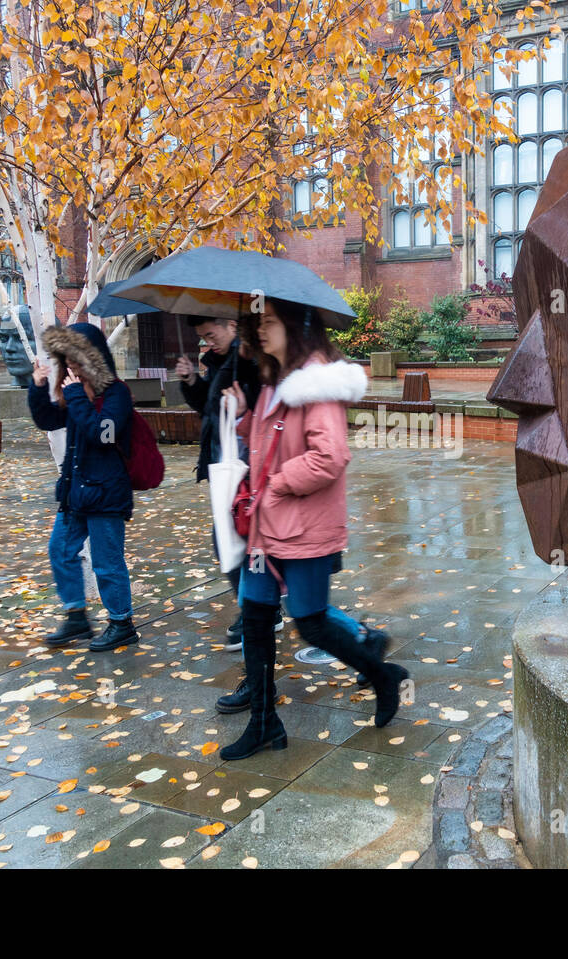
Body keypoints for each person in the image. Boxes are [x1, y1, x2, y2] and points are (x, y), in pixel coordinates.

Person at [219, 297, 409, 760]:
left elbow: (330, 456)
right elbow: (272, 442)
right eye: (255, 324)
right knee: (256, 618)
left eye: (268, 323)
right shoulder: (273, 380)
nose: (260, 331)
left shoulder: (316, 384)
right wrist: (245, 418)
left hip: (303, 530)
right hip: (266, 530)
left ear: (296, 325)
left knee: (311, 623)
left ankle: (383, 675)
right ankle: (265, 723)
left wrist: (278, 484)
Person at [28, 322, 140, 651]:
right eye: (69, 361)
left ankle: (122, 623)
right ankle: (76, 617)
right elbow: (48, 420)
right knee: (60, 551)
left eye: (78, 361)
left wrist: (76, 395)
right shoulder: (76, 392)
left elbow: (102, 435)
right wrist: (38, 387)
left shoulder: (116, 393)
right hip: (75, 491)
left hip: (106, 493)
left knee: (107, 562)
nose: (73, 367)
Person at [175, 315, 272, 650]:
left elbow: (264, 412)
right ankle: (258, 608)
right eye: (202, 337)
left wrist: (244, 411)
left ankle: (258, 609)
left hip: (245, 466)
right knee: (233, 541)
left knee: (235, 541)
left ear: (232, 326)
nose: (206, 342)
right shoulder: (218, 362)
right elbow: (209, 408)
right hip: (224, 463)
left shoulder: (248, 363)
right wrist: (191, 381)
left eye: (210, 334)